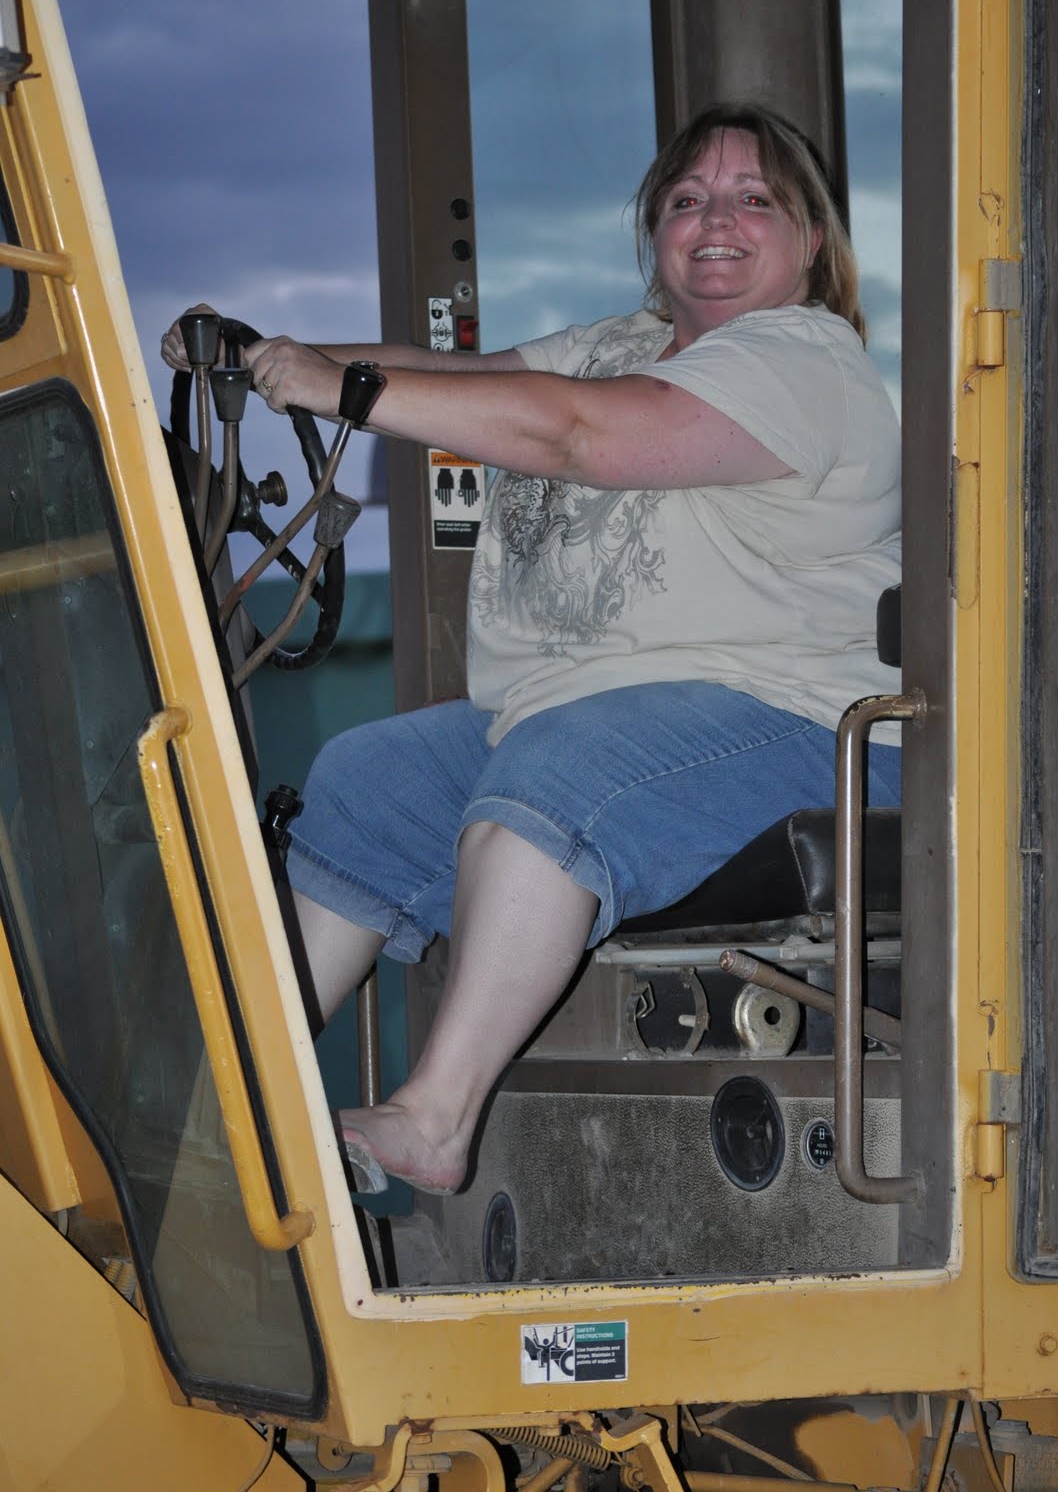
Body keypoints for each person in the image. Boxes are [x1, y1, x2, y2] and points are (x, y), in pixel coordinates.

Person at [163, 102, 902, 1198]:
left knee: (562, 770)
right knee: (369, 779)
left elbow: (577, 434)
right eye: (687, 199)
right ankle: (215, 1113)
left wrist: (343, 389)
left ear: (811, 242)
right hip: (587, 712)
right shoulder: (619, 345)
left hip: (793, 723)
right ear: (654, 228)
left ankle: (431, 1118)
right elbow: (454, 381)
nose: (716, 221)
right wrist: (264, 354)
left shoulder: (802, 359)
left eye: (756, 201)